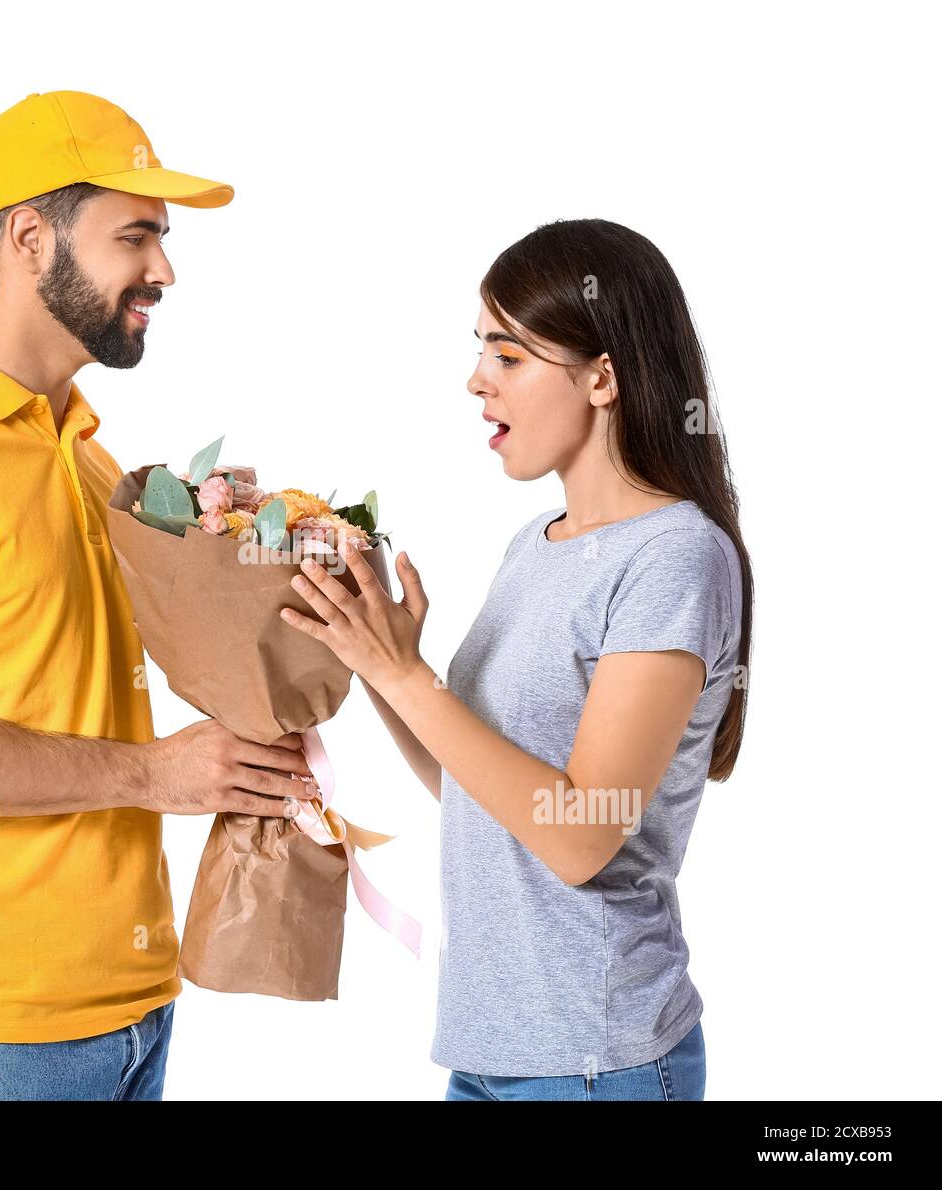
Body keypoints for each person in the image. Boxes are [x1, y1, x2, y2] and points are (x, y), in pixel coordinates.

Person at [0, 91, 319, 1101]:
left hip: (131, 1009)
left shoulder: (93, 458)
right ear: (28, 237)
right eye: (137, 235)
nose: (163, 270)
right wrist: (150, 775)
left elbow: (78, 700)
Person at [281, 218, 751, 1101]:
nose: (475, 380)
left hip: (594, 1058)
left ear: (602, 377)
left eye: (508, 356)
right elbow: (478, 795)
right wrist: (382, 664)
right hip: (489, 1054)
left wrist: (408, 677)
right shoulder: (535, 544)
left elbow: (578, 837)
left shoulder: (674, 559)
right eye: (480, 352)